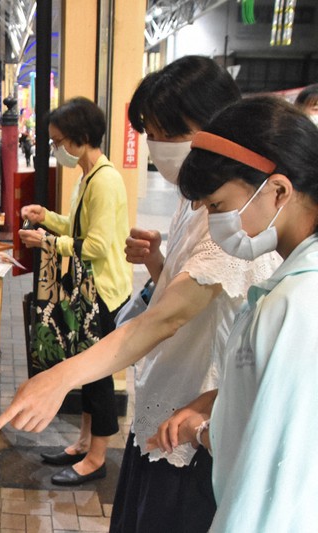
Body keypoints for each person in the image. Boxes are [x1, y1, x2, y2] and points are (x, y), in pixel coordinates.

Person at [0, 56, 280, 532]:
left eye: (169, 133)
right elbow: (191, 295)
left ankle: (93, 448)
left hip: (190, 417)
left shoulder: (237, 213)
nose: (157, 146)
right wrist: (159, 264)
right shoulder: (195, 200)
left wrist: (59, 377)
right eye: (151, 133)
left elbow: (164, 318)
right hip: (165, 400)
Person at [149, 96, 318, 531]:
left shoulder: (296, 304)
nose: (214, 221)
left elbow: (271, 461)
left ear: (278, 190)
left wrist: (204, 430)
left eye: (219, 207)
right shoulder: (288, 285)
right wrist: (217, 402)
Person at [18, 98, 132, 486]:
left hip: (103, 292)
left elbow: (96, 246)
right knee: (85, 369)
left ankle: (97, 457)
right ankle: (84, 441)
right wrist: (46, 219)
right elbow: (76, 226)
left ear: (81, 138)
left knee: (97, 376)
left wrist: (46, 243)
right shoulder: (88, 176)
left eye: (58, 142)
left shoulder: (105, 180)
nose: (56, 150)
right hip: (87, 292)